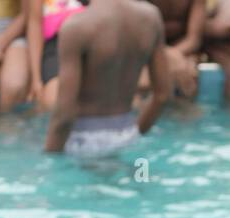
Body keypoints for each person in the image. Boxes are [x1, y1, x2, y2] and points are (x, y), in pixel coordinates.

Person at [42, 0, 170, 156]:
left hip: (83, 145)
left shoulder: (76, 27)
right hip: (128, 138)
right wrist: (136, 132)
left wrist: (50, 156)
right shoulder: (151, 17)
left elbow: (64, 116)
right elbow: (163, 95)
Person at [25, 0, 83, 109]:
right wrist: (36, 79)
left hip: (90, 42)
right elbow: (35, 24)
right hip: (55, 45)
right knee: (52, 100)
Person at [148, 0, 203, 99]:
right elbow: (134, 35)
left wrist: (172, 54)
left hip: (182, 48)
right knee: (144, 79)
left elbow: (194, 39)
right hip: (149, 48)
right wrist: (165, 56)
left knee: (190, 70)